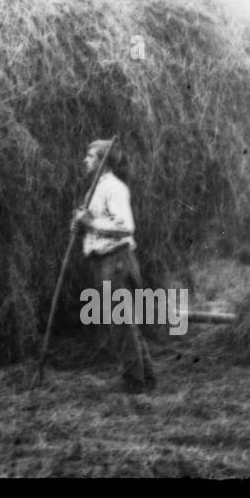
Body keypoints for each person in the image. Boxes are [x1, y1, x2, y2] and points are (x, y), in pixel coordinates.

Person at [70, 139, 157, 392]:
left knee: (120, 323)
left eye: (90, 156)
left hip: (116, 260)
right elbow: (93, 222)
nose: (85, 160)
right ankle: (146, 379)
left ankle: (134, 382)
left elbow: (125, 226)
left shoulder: (114, 188)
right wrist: (80, 225)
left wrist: (91, 224)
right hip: (104, 261)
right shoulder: (95, 189)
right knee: (123, 322)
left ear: (102, 161)